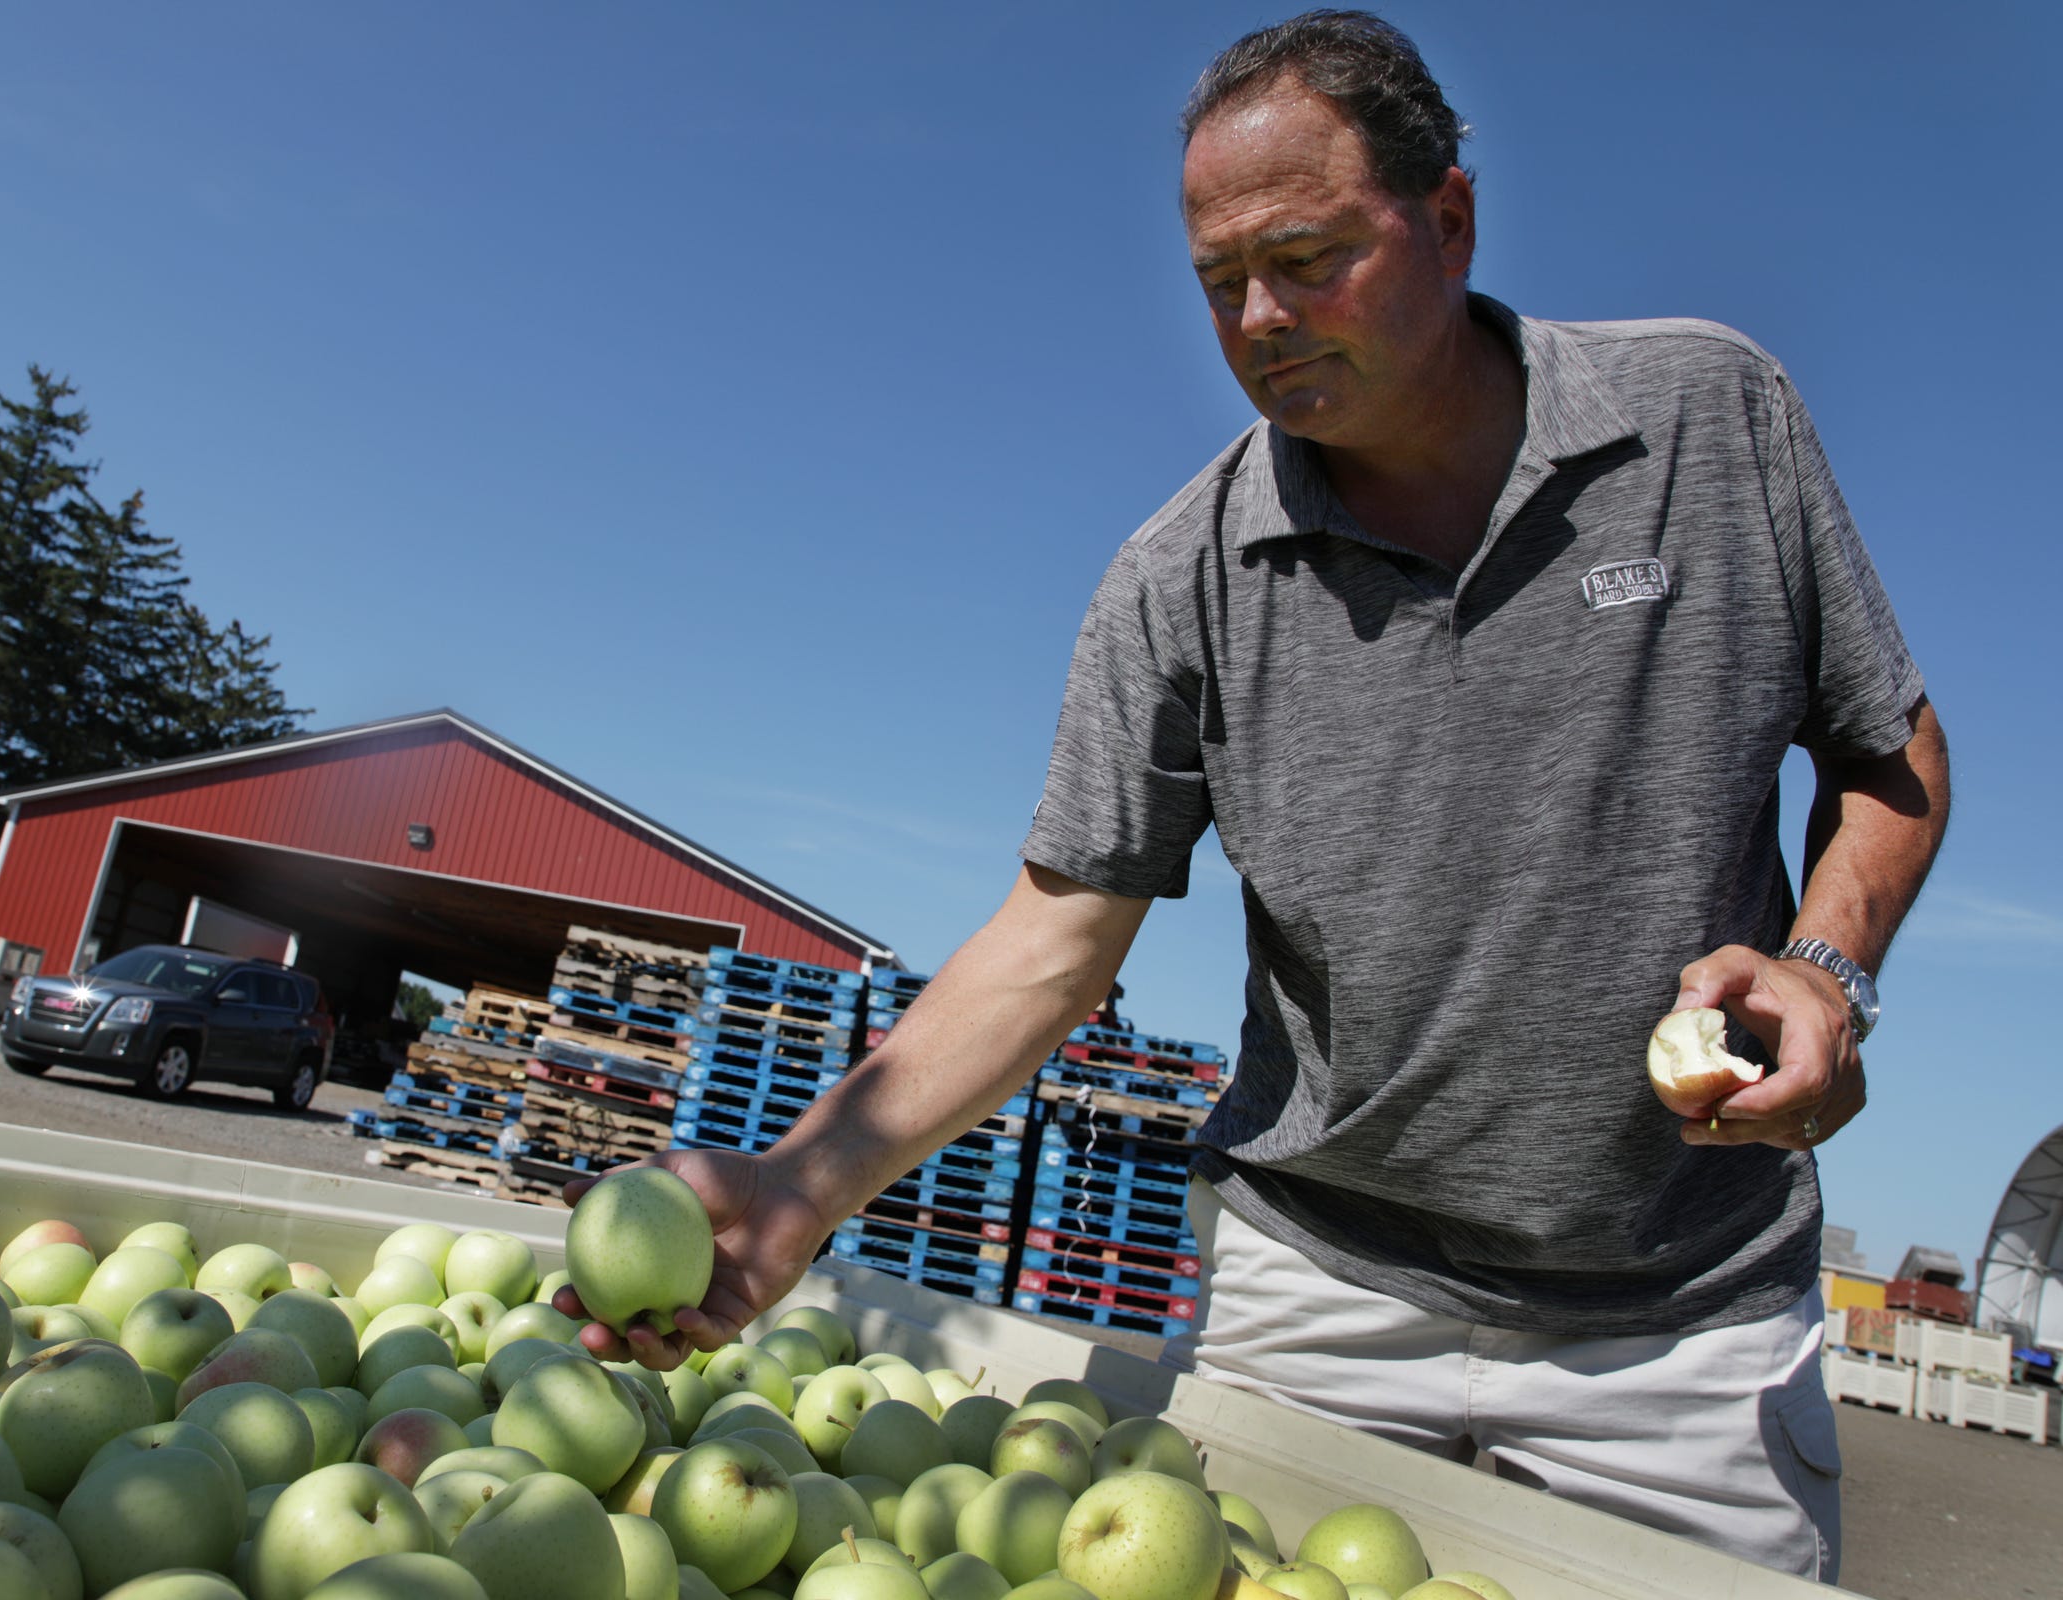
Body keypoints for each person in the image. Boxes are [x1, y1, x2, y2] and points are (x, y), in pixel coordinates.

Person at [564, 11, 1948, 1582]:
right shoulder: (1181, 578)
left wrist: (1829, 968)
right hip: (1325, 1313)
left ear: (1449, 220)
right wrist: (791, 1186)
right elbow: (1055, 943)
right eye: (1220, 282)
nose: (1260, 318)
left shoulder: (1711, 419)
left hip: (1682, 1336)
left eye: (1306, 258)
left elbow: (1890, 757)